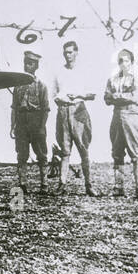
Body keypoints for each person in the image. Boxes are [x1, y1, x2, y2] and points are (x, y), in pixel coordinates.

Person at [52, 41, 97, 196]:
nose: (67, 55)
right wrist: (59, 100)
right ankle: (62, 184)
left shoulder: (84, 71)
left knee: (84, 149)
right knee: (65, 151)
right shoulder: (59, 72)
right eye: (65, 52)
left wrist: (79, 95)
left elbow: (92, 95)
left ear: (76, 52)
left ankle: (89, 185)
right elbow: (54, 95)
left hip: (79, 111)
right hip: (63, 111)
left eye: (70, 52)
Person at [104, 48, 138, 199]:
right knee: (117, 153)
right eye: (120, 60)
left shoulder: (136, 78)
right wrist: (118, 97)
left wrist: (117, 96)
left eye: (126, 60)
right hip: (117, 115)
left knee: (136, 154)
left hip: (131, 115)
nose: (123, 63)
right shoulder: (112, 79)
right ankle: (119, 187)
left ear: (132, 62)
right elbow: (107, 99)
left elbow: (135, 97)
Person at [11, 50, 50, 194]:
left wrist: (41, 127)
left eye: (31, 63)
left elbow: (45, 109)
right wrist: (12, 126)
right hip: (21, 122)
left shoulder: (41, 86)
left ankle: (44, 184)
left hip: (36, 121)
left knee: (41, 154)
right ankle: (22, 184)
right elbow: (14, 108)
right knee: (22, 154)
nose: (27, 66)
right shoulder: (18, 86)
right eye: (25, 63)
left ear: (36, 66)